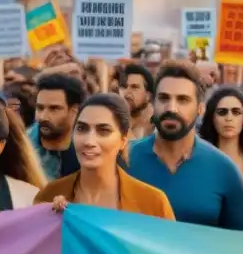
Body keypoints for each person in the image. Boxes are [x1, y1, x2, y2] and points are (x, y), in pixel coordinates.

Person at [127, 60, 243, 230]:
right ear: (153, 104)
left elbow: (240, 244)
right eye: (164, 98)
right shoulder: (124, 159)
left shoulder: (225, 171)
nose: (171, 108)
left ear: (200, 109)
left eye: (183, 100)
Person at [34, 93, 174, 218]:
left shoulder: (153, 203)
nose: (89, 141)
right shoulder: (49, 195)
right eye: (82, 129)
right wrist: (52, 219)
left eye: (103, 131)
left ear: (123, 140)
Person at [29, 73, 85, 181]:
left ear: (74, 111)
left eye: (54, 109)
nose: (43, 117)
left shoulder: (89, 150)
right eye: (40, 108)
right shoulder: (20, 150)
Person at [197, 86, 243, 179]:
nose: (229, 118)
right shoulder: (199, 159)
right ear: (212, 117)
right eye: (222, 112)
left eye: (236, 112)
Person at [120, 63, 154, 140]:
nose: (127, 93)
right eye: (125, 87)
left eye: (134, 87)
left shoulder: (158, 128)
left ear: (148, 95)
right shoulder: (118, 119)